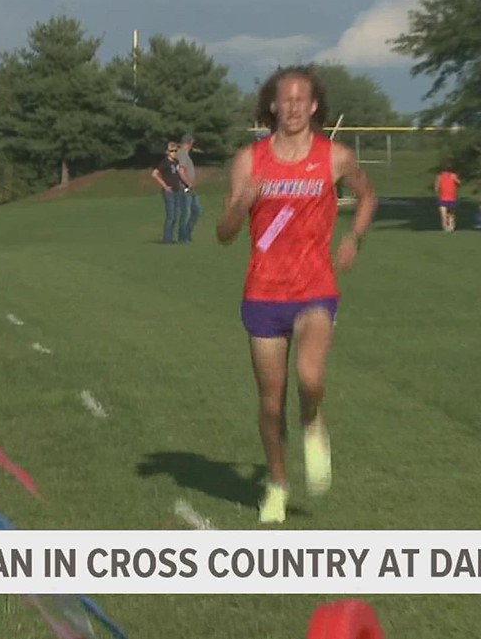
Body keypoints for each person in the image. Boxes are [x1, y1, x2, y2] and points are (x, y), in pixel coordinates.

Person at [216, 64, 377, 524]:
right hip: (263, 294)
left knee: (310, 379)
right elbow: (224, 233)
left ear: (313, 106)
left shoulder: (334, 157)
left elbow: (367, 197)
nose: (291, 107)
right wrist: (243, 203)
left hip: (315, 289)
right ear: (272, 104)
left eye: (300, 99)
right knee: (270, 402)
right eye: (283, 99)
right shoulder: (250, 161)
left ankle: (312, 423)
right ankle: (278, 483)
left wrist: (354, 238)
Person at [151, 142, 189, 244]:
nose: (174, 153)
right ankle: (167, 239)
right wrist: (164, 186)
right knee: (171, 216)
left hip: (178, 191)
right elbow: (154, 174)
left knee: (176, 215)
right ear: (167, 152)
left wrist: (184, 185)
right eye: (172, 151)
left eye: (176, 151)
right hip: (170, 192)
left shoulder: (176, 162)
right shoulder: (165, 163)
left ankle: (173, 238)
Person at [177, 134, 204, 243]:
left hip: (190, 189)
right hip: (185, 188)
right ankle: (183, 237)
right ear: (190, 143)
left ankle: (187, 234)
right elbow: (181, 171)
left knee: (197, 211)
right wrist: (188, 184)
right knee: (187, 213)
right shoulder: (182, 154)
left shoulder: (185, 155)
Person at [434, 161, 460, 232]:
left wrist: (437, 193)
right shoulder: (453, 176)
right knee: (451, 214)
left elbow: (436, 187)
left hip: (443, 198)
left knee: (444, 214)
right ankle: (451, 227)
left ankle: (445, 227)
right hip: (451, 198)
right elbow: (459, 183)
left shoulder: (440, 176)